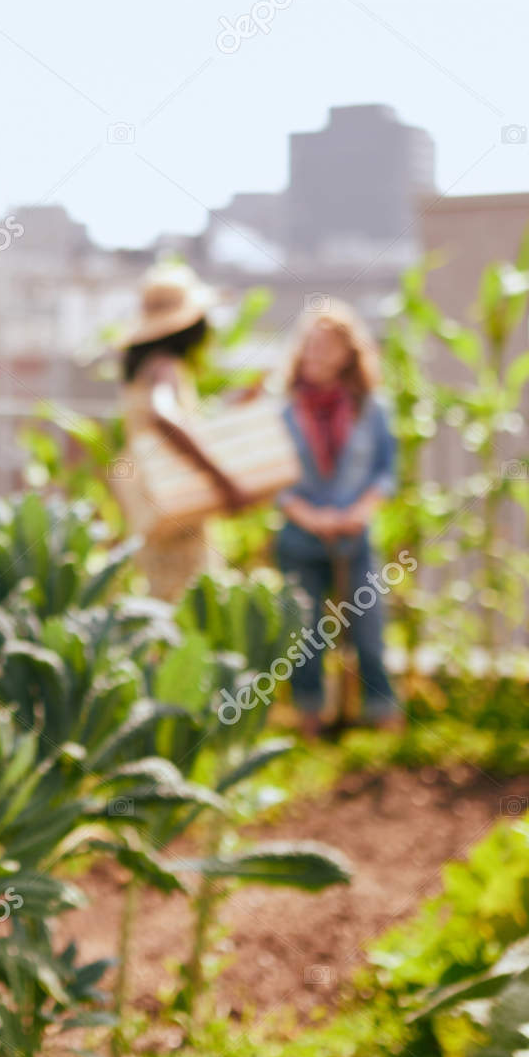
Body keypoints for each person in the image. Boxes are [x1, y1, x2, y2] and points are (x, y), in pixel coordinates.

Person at [275, 301, 404, 735]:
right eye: (310, 345)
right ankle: (310, 720)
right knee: (305, 637)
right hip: (299, 539)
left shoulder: (372, 408)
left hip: (355, 538)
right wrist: (308, 516)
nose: (317, 354)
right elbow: (274, 479)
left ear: (349, 353)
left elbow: (386, 472)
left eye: (327, 346)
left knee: (369, 634)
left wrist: (358, 511)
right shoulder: (284, 411)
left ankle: (382, 718)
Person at [117, 263, 250, 603]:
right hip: (178, 512)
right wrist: (222, 479)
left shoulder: (143, 370)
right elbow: (164, 414)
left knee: (162, 604)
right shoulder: (166, 367)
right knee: (191, 607)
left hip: (153, 508)